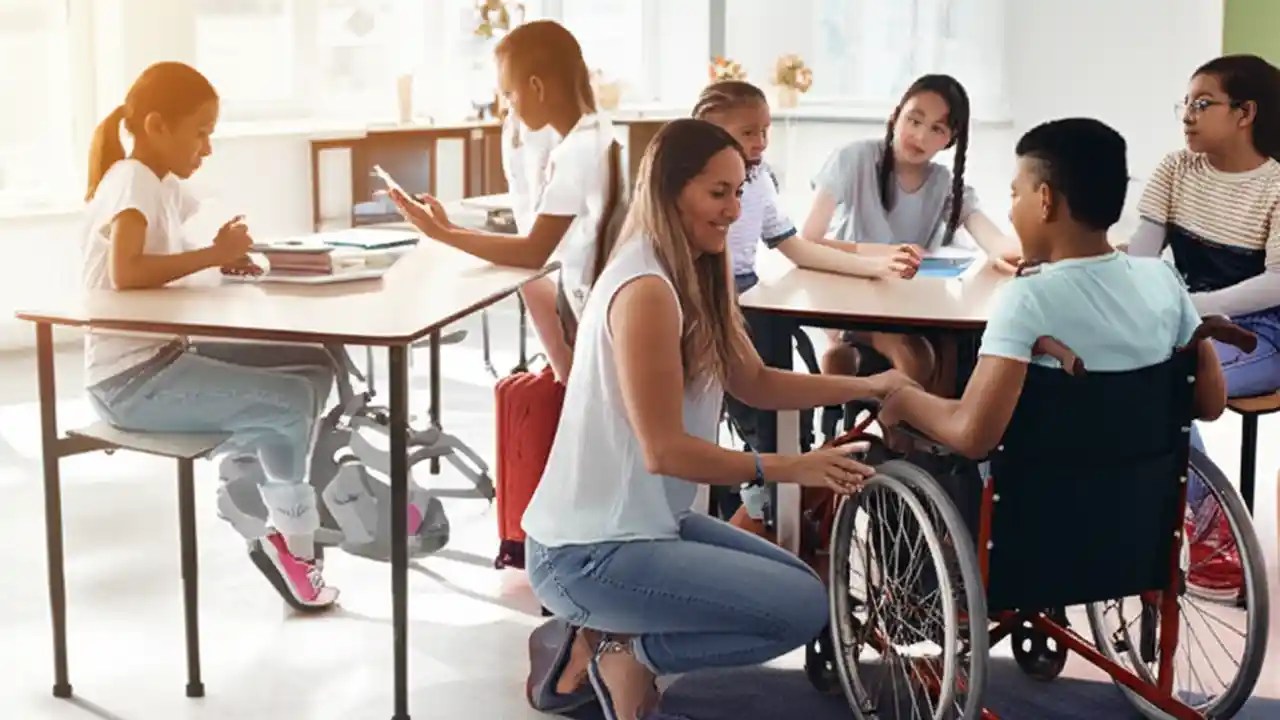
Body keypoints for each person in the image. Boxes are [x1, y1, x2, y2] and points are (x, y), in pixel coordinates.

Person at [520, 118, 918, 720]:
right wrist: (791, 466)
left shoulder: (693, 272)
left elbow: (754, 381)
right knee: (799, 611)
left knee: (802, 591)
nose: (734, 210)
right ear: (670, 191)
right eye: (718, 192)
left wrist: (868, 386)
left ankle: (610, 637)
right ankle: (627, 651)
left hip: (647, 526)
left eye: (739, 191)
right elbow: (664, 451)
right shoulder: (646, 289)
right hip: (587, 552)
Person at [81, 61, 341, 610]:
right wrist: (212, 254)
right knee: (291, 401)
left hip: (164, 358)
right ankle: (294, 549)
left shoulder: (160, 184)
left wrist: (220, 262)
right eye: (200, 133)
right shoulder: (131, 179)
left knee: (315, 363)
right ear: (156, 126)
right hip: (129, 383)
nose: (207, 148)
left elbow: (164, 269)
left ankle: (247, 481)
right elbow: (128, 272)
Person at [878, 117, 1226, 462]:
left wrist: (902, 399)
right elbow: (1210, 404)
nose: (1010, 213)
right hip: (1145, 493)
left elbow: (973, 436)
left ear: (1045, 200)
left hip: (1038, 495)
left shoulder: (1026, 298)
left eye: (1016, 194)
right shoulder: (1163, 278)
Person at [692, 79, 919, 518]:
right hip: (711, 301)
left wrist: (872, 267)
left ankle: (775, 507)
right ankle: (761, 505)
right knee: (736, 415)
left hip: (746, 295)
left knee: (778, 415)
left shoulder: (759, 180)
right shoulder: (690, 188)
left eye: (765, 130)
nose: (760, 142)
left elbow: (794, 245)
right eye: (748, 132)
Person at [389, 20, 626, 376]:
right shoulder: (598, 133)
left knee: (526, 280)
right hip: (596, 304)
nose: (507, 106)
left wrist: (442, 234)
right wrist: (450, 228)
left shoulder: (575, 154)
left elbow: (533, 253)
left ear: (536, 87)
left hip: (590, 317)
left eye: (510, 94)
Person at [1127, 54, 1280, 598]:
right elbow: (1142, 257)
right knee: (1126, 379)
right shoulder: (1176, 169)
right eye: (1186, 104)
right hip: (1189, 321)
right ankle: (1171, 518)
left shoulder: (1276, 184)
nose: (1188, 115)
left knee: (1170, 387)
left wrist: (1189, 305)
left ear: (1245, 113)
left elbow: (1278, 282)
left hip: (1263, 333)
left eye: (1203, 103)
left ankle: (1216, 537)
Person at [802, 74, 1021, 391]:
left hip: (908, 306)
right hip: (850, 296)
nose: (920, 136)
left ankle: (861, 376)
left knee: (949, 353)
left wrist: (1018, 251)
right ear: (896, 115)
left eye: (937, 129)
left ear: (950, 139)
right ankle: (856, 372)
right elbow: (808, 240)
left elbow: (991, 238)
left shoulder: (943, 183)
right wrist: (880, 255)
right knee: (914, 357)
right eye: (914, 120)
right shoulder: (853, 158)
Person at [500, 105, 573, 377]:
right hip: (541, 261)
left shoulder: (570, 134)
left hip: (560, 260)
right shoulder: (514, 125)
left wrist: (447, 233)